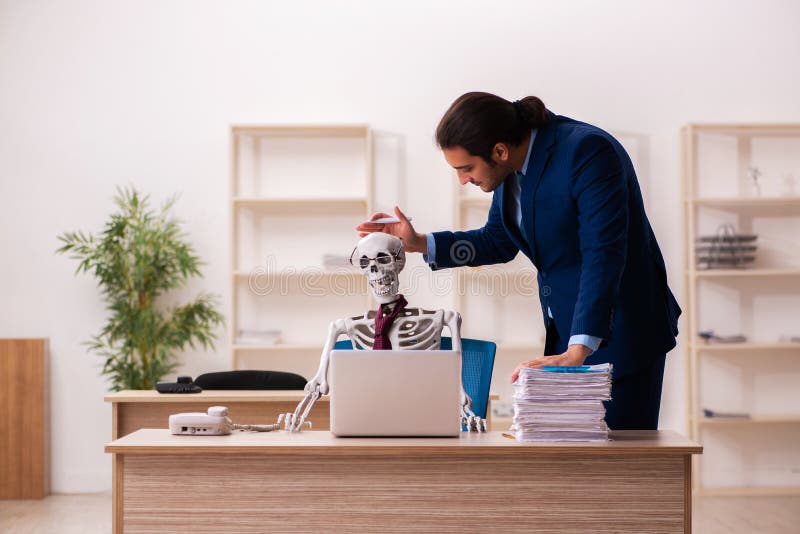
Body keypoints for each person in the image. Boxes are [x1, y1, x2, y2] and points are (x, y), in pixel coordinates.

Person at [356, 92, 681, 430]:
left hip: (619, 331)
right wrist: (419, 243)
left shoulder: (588, 152)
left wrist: (579, 349)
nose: (463, 180)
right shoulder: (511, 166)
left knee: (622, 471)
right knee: (574, 468)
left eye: (466, 168)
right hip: (569, 336)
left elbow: (603, 252)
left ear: (499, 150)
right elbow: (497, 241)